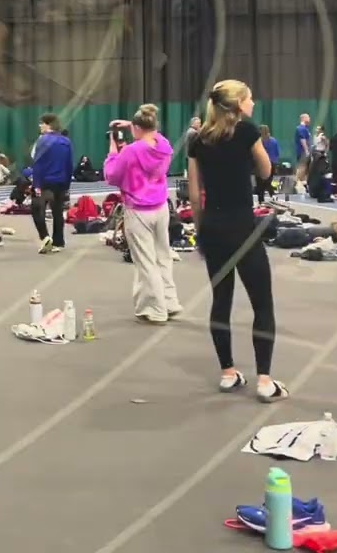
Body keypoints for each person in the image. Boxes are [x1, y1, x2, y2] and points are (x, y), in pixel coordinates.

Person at [187, 79, 288, 403]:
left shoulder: (198, 139)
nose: (253, 102)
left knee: (221, 300)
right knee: (262, 303)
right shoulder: (246, 132)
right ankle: (265, 380)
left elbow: (194, 195)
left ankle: (228, 373)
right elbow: (266, 171)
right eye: (249, 98)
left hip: (213, 228)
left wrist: (201, 232)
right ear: (238, 104)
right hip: (242, 228)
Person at [105, 104, 182, 323]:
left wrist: (112, 152)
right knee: (163, 257)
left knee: (146, 262)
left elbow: (112, 176)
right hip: (160, 206)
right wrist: (132, 124)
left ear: (137, 128)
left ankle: (155, 309)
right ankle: (170, 302)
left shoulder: (131, 151)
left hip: (139, 210)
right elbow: (152, 133)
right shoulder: (164, 145)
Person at [29, 113, 74, 254]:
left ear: (48, 124)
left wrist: (36, 184)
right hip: (61, 182)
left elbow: (38, 163)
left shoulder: (43, 140)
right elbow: (69, 164)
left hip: (45, 182)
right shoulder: (66, 141)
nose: (39, 126)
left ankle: (45, 237)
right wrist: (67, 184)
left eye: (41, 123)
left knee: (37, 209)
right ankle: (59, 241)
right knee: (57, 212)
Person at [257, 124, 280, 204]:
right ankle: (272, 195)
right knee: (268, 181)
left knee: (260, 183)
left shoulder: (259, 142)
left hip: (262, 163)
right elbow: (277, 152)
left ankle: (261, 200)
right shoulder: (274, 141)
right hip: (273, 163)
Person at [294, 113, 312, 184]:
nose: (310, 119)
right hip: (302, 152)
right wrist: (306, 151)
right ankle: (297, 182)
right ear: (304, 119)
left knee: (305, 168)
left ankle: (302, 183)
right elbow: (302, 140)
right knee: (302, 167)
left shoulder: (305, 129)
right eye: (308, 117)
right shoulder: (301, 128)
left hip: (305, 151)